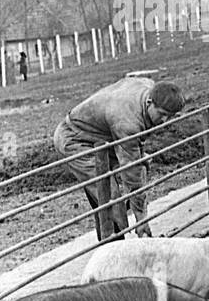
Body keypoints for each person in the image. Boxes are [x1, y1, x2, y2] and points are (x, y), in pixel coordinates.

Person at [52, 77, 185, 242]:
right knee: (108, 192)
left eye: (170, 116)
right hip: (75, 139)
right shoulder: (128, 122)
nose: (165, 121)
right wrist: (142, 219)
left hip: (103, 136)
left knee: (142, 165)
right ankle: (114, 243)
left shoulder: (148, 87)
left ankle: (121, 217)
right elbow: (132, 172)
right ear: (150, 102)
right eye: (162, 114)